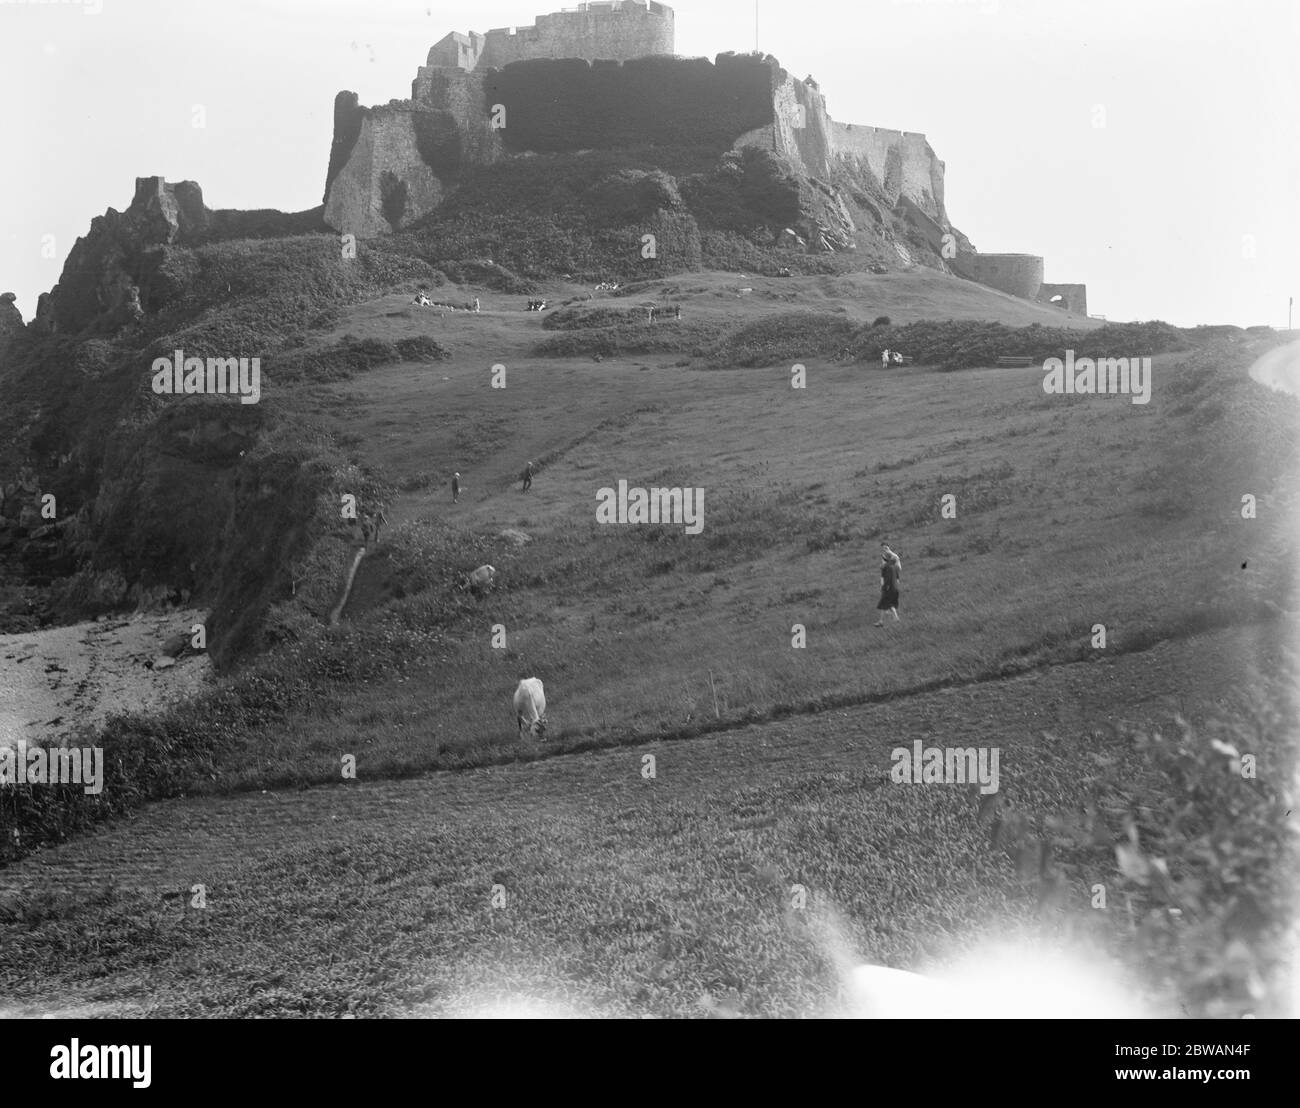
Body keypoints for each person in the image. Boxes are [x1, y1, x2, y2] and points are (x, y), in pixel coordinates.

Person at [875, 542, 901, 626]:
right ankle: (894, 618)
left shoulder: (885, 567)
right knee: (888, 604)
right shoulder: (894, 567)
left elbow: (887, 579)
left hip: (888, 588)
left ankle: (881, 622)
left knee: (884, 604)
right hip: (895, 588)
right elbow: (897, 579)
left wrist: (884, 587)